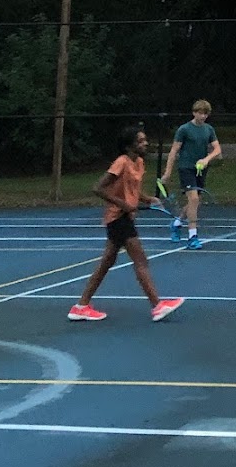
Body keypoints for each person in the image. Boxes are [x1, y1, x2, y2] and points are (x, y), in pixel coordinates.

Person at [68, 124, 185, 322]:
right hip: (118, 218)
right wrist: (123, 204)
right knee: (140, 260)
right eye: (140, 141)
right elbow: (98, 188)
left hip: (125, 218)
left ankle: (81, 305)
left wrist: (147, 199)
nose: (145, 143)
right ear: (129, 145)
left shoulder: (138, 162)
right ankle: (157, 306)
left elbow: (132, 190)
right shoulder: (121, 162)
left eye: (144, 139)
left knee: (107, 262)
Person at [161, 99, 221, 249]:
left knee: (194, 202)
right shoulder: (184, 129)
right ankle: (192, 236)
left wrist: (206, 159)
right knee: (193, 198)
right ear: (194, 113)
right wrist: (167, 172)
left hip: (201, 169)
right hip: (186, 167)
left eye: (205, 114)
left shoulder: (209, 129)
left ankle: (176, 223)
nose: (202, 116)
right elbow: (174, 151)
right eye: (200, 113)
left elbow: (217, 149)